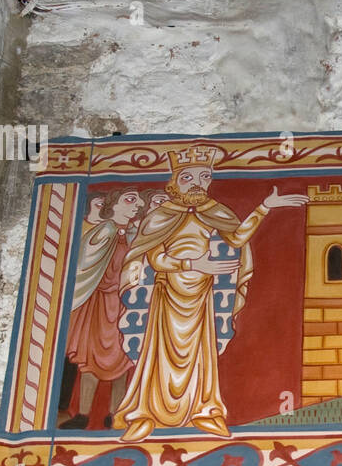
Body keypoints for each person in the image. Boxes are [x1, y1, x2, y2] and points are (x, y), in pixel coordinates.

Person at [113, 148, 307, 440]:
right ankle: (145, 414)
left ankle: (204, 411)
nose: (197, 183)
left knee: (200, 355)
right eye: (188, 177)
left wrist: (264, 207)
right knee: (160, 353)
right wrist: (193, 264)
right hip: (167, 292)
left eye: (204, 177)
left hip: (202, 293)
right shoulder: (160, 216)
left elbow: (237, 238)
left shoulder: (213, 211)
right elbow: (155, 259)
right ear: (174, 182)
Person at [63, 188, 145, 428]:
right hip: (100, 304)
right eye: (130, 200)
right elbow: (85, 265)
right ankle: (83, 414)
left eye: (137, 201)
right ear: (113, 204)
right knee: (92, 357)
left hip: (125, 304)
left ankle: (114, 414)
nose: (137, 205)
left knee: (123, 358)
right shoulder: (102, 232)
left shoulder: (134, 235)